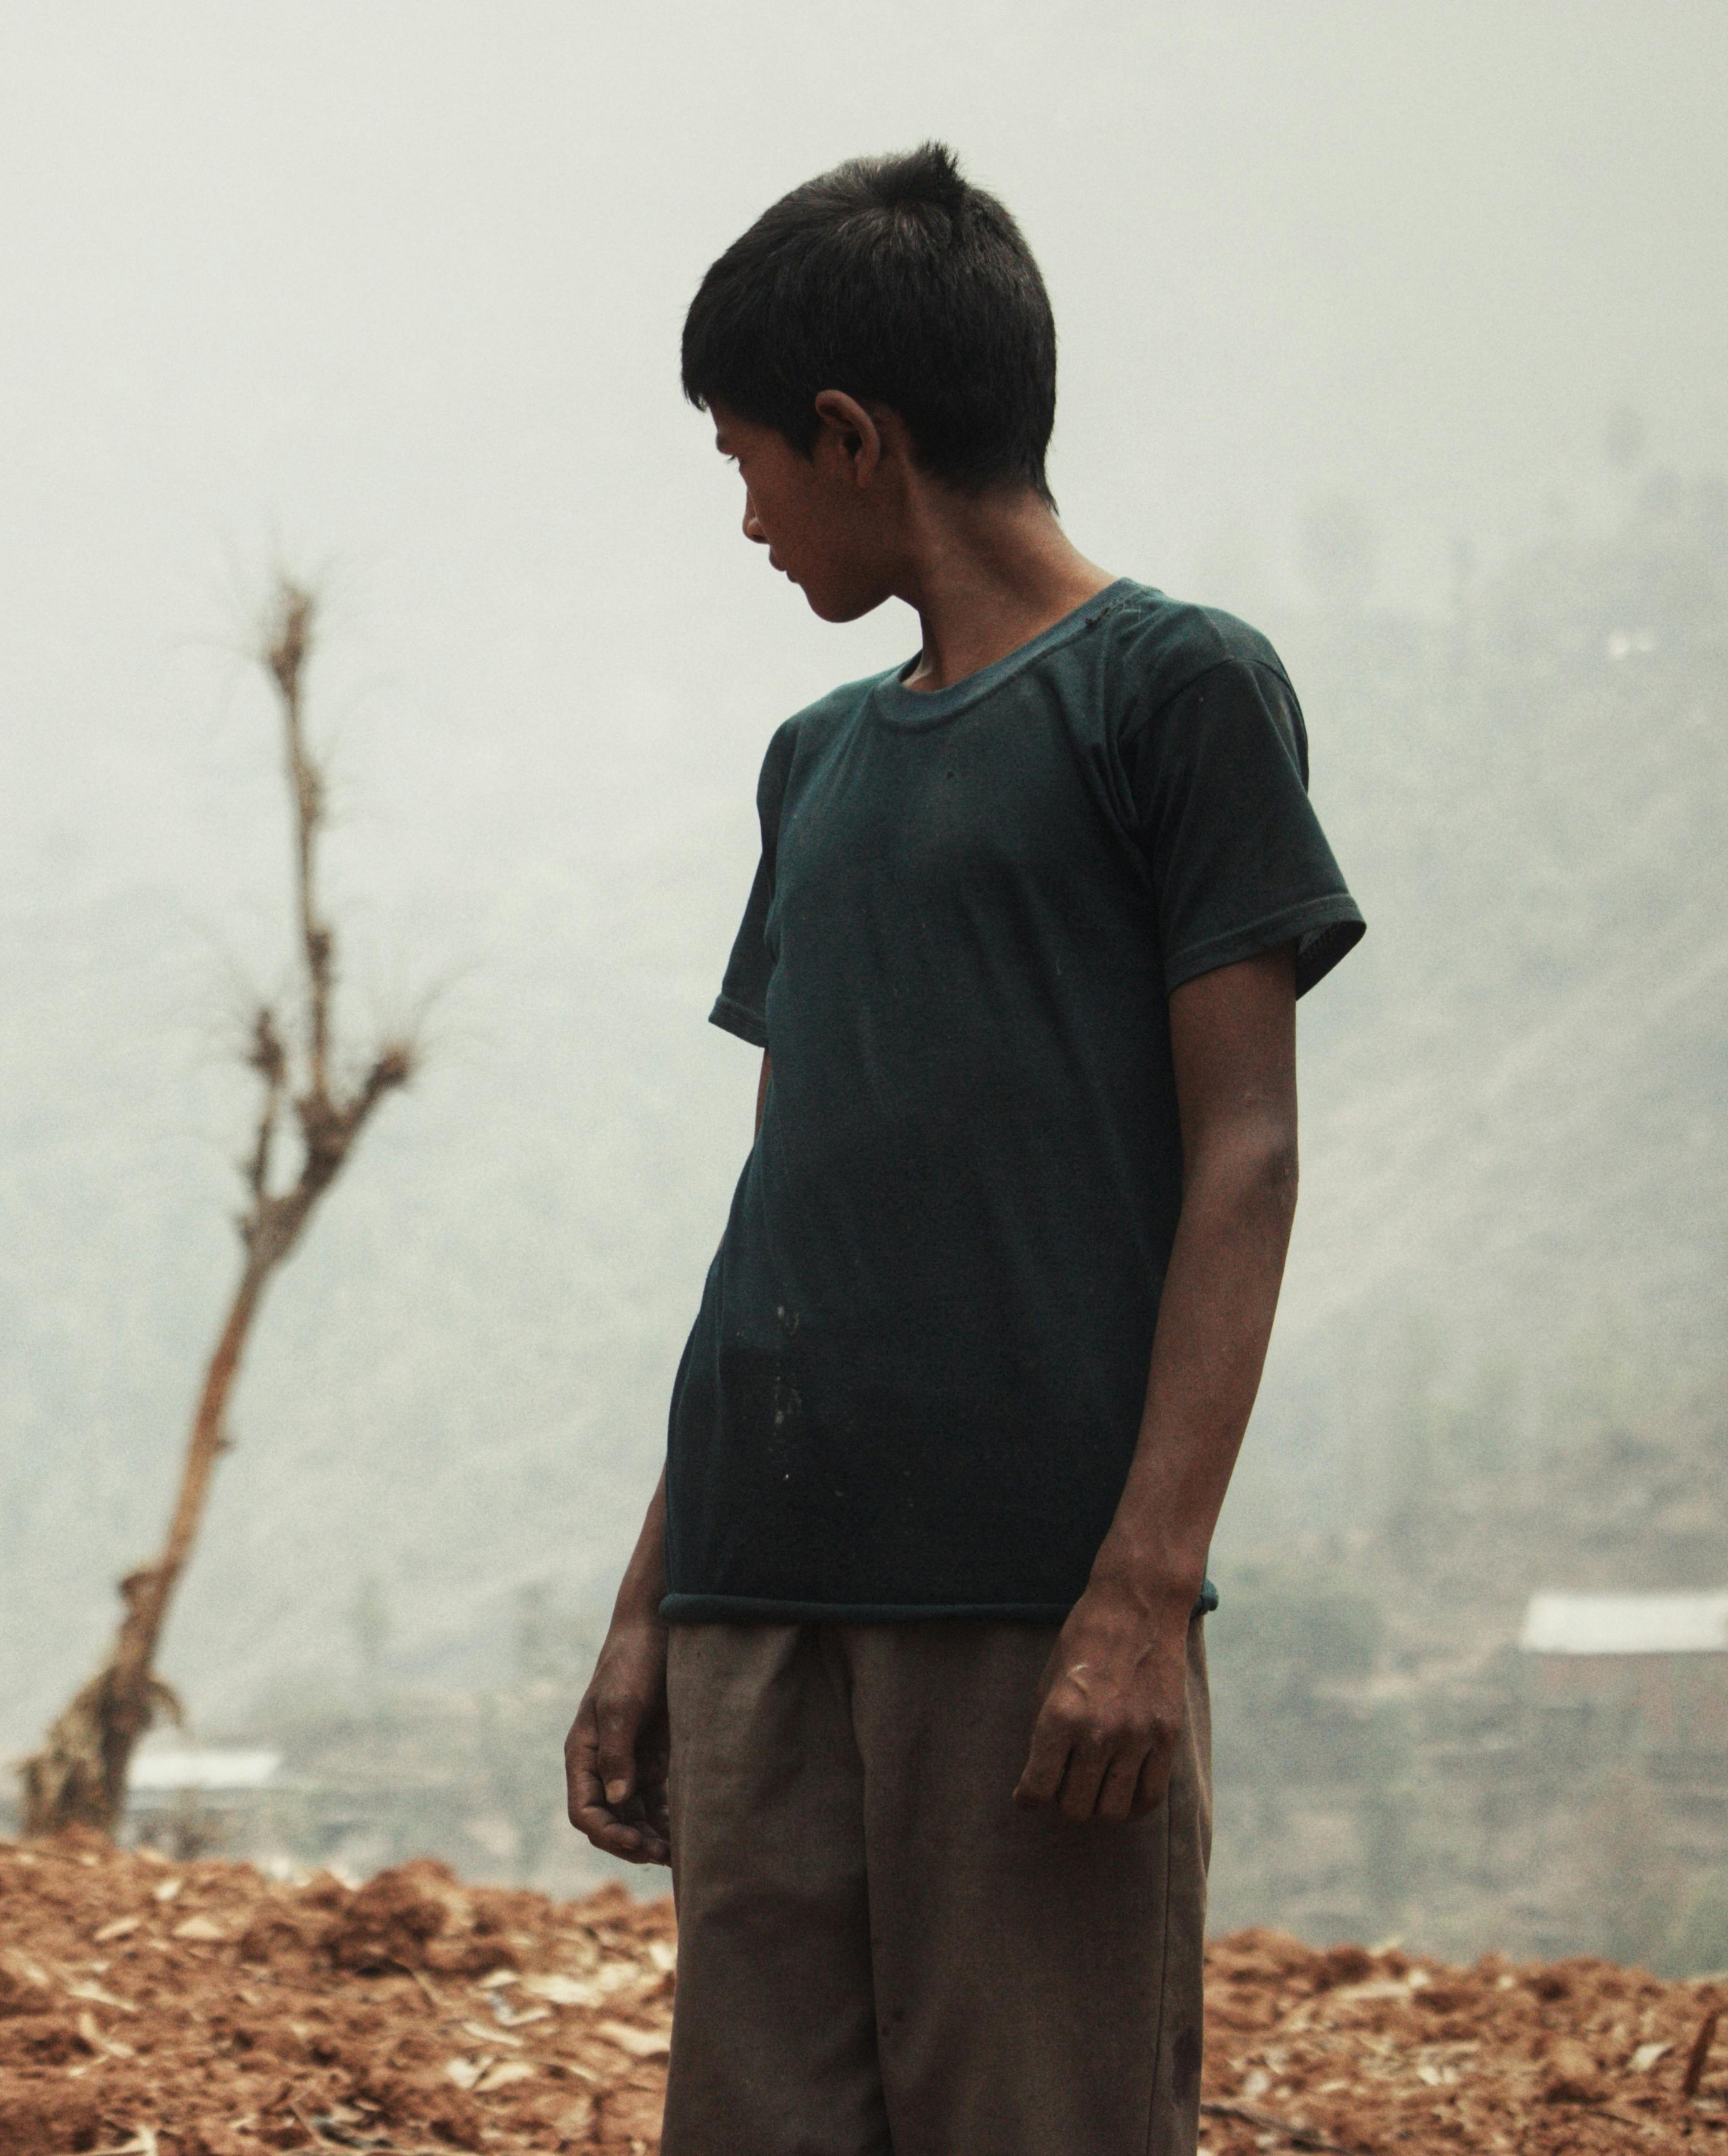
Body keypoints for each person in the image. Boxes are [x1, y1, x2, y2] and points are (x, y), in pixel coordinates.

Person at [562, 145, 1364, 2155]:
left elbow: (1248, 1157)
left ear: (855, 436)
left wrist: (1144, 1592)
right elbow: (785, 1205)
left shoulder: (1172, 696)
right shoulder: (816, 763)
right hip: (764, 1590)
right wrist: (657, 1601)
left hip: (1027, 1605)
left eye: (748, 462)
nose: (748, 519)